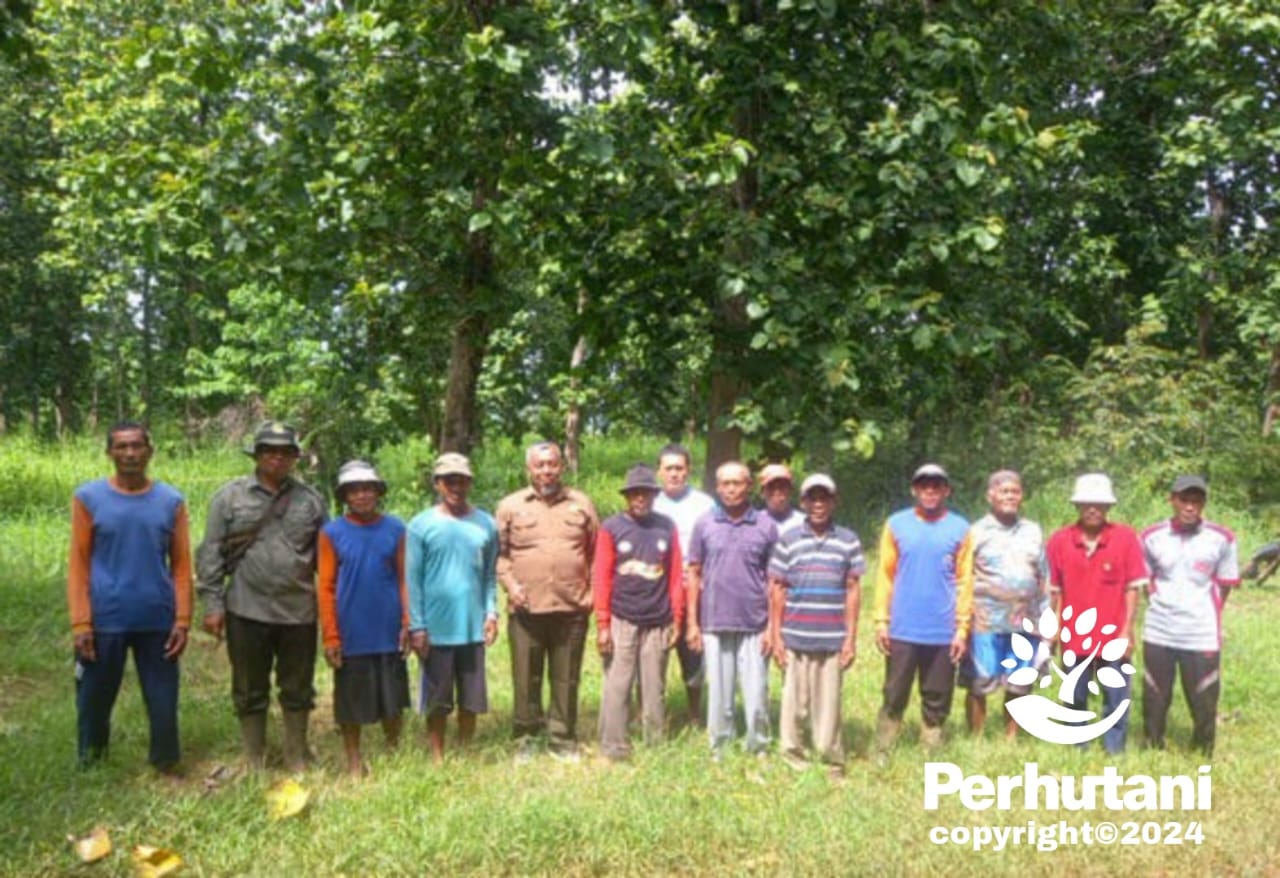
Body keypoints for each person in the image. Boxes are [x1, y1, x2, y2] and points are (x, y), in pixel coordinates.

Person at [196, 420, 328, 771]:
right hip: (246, 607)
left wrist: (333, 610)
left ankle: (295, 752)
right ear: (256, 454)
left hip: (298, 610)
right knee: (249, 686)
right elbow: (210, 552)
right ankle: (254, 755)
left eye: (285, 452)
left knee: (298, 687)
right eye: (269, 451)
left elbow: (326, 559)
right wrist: (212, 604)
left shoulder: (311, 501)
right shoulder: (229, 497)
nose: (277, 458)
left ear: (295, 458)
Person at [67, 422, 192, 772]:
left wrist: (183, 619)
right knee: (94, 699)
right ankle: (92, 764)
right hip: (105, 617)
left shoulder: (170, 501)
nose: (130, 453)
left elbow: (182, 565)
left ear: (149, 451)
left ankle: (165, 763)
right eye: (121, 447)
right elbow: (78, 565)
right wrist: (80, 622)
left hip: (158, 617)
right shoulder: (88, 498)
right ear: (110, 453)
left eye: (137, 446)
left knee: (163, 699)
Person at [496, 441, 599, 762]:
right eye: (539, 465)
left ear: (561, 466)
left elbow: (596, 552)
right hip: (527, 607)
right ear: (529, 469)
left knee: (566, 676)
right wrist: (511, 586)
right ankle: (527, 736)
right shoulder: (510, 506)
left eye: (552, 464)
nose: (546, 471)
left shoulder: (581, 504)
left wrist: (593, 592)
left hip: (571, 607)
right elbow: (499, 556)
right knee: (526, 676)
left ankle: (562, 738)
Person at [317, 460, 409, 777]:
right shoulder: (332, 533)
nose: (362, 496)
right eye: (354, 490)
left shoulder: (396, 529)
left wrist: (408, 622)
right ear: (344, 496)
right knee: (350, 701)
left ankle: (393, 748)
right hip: (351, 629)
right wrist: (331, 635)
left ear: (378, 492)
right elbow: (326, 586)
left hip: (388, 626)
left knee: (392, 697)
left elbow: (403, 579)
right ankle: (354, 760)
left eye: (368, 489)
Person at [1044, 473, 1148, 755]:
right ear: (1077, 506)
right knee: (1075, 695)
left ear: (1108, 507)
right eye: (1086, 503)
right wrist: (1051, 628)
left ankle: (1114, 749)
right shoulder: (1059, 541)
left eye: (1099, 504)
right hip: (1074, 636)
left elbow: (1132, 588)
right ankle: (1079, 747)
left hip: (1112, 634)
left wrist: (1127, 631)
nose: (1093, 509)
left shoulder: (1125, 539)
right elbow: (1054, 590)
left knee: (1115, 695)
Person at [872, 463, 971, 757]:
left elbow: (965, 580)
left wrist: (962, 627)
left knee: (937, 693)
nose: (930, 491)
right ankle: (883, 746)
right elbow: (885, 575)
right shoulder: (896, 524)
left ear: (946, 490)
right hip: (903, 627)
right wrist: (881, 620)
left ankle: (931, 744)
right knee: (894, 691)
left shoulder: (960, 528)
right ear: (914, 489)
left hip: (942, 629)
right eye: (924, 485)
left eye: (936, 485)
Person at [768, 474, 864, 775]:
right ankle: (793, 759)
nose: (819, 504)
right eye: (813, 498)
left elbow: (853, 589)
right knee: (794, 706)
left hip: (832, 638)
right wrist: (776, 636)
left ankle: (830, 762)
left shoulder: (847, 541)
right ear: (803, 502)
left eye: (825, 498)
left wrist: (850, 639)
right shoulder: (788, 540)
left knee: (828, 707)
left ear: (834, 502)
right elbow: (777, 589)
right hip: (795, 636)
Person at [406, 452, 499, 763]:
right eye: (449, 480)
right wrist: (417, 626)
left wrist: (491, 612)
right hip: (436, 630)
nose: (456, 487)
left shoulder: (486, 524)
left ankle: (466, 749)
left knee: (471, 698)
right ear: (438, 484)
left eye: (461, 480)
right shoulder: (421, 526)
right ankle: (437, 754)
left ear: (469, 482)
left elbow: (489, 575)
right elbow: (412, 580)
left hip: (471, 628)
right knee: (438, 698)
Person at [1140, 475, 1239, 756]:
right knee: (1155, 694)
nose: (1190, 507)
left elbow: (1225, 585)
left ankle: (1203, 750)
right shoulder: (1151, 537)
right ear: (1172, 500)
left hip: (1201, 631)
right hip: (1159, 629)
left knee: (1204, 696)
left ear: (1204, 503)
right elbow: (1145, 579)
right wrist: (1164, 605)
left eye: (1197, 501)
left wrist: (1203, 612)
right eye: (1184, 500)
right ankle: (1152, 746)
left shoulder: (1222, 539)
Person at [686, 461, 778, 759]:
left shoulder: (765, 525)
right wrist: (692, 623)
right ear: (717, 486)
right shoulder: (704, 523)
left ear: (749, 486)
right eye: (724, 483)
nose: (730, 489)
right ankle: (719, 748)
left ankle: (758, 746)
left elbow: (775, 581)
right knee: (719, 697)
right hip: (714, 621)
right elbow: (694, 573)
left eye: (736, 483)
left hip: (754, 622)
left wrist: (772, 628)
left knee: (756, 696)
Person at [593, 464, 684, 761]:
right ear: (627, 497)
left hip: (658, 619)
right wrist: (603, 623)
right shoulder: (612, 528)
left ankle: (655, 744)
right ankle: (614, 745)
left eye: (645, 493)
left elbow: (674, 575)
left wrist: (677, 617)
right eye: (634, 494)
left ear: (654, 495)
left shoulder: (666, 527)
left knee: (654, 685)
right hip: (622, 617)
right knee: (617, 684)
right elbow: (601, 576)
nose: (640, 499)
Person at [957, 470, 1047, 738]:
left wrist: (1046, 616)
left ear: (1021, 496)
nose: (1009, 496)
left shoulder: (1033, 531)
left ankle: (1010, 738)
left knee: (1019, 683)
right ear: (990, 496)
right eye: (1003, 491)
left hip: (1025, 621)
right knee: (979, 682)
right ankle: (976, 736)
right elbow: (963, 577)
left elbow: (1043, 575)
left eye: (1015, 491)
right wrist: (961, 619)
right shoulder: (975, 532)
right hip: (985, 620)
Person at [653, 443, 715, 724]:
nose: (674, 474)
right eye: (669, 468)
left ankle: (694, 713)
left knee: (692, 650)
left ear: (688, 470)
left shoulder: (705, 504)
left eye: (679, 468)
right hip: (657, 588)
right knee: (654, 649)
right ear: (659, 472)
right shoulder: (650, 502)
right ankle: (651, 709)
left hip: (694, 587)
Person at [759, 464, 804, 535]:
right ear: (762, 493)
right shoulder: (753, 525)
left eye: (782, 486)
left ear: (791, 490)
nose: (777, 491)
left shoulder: (804, 523)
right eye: (771, 487)